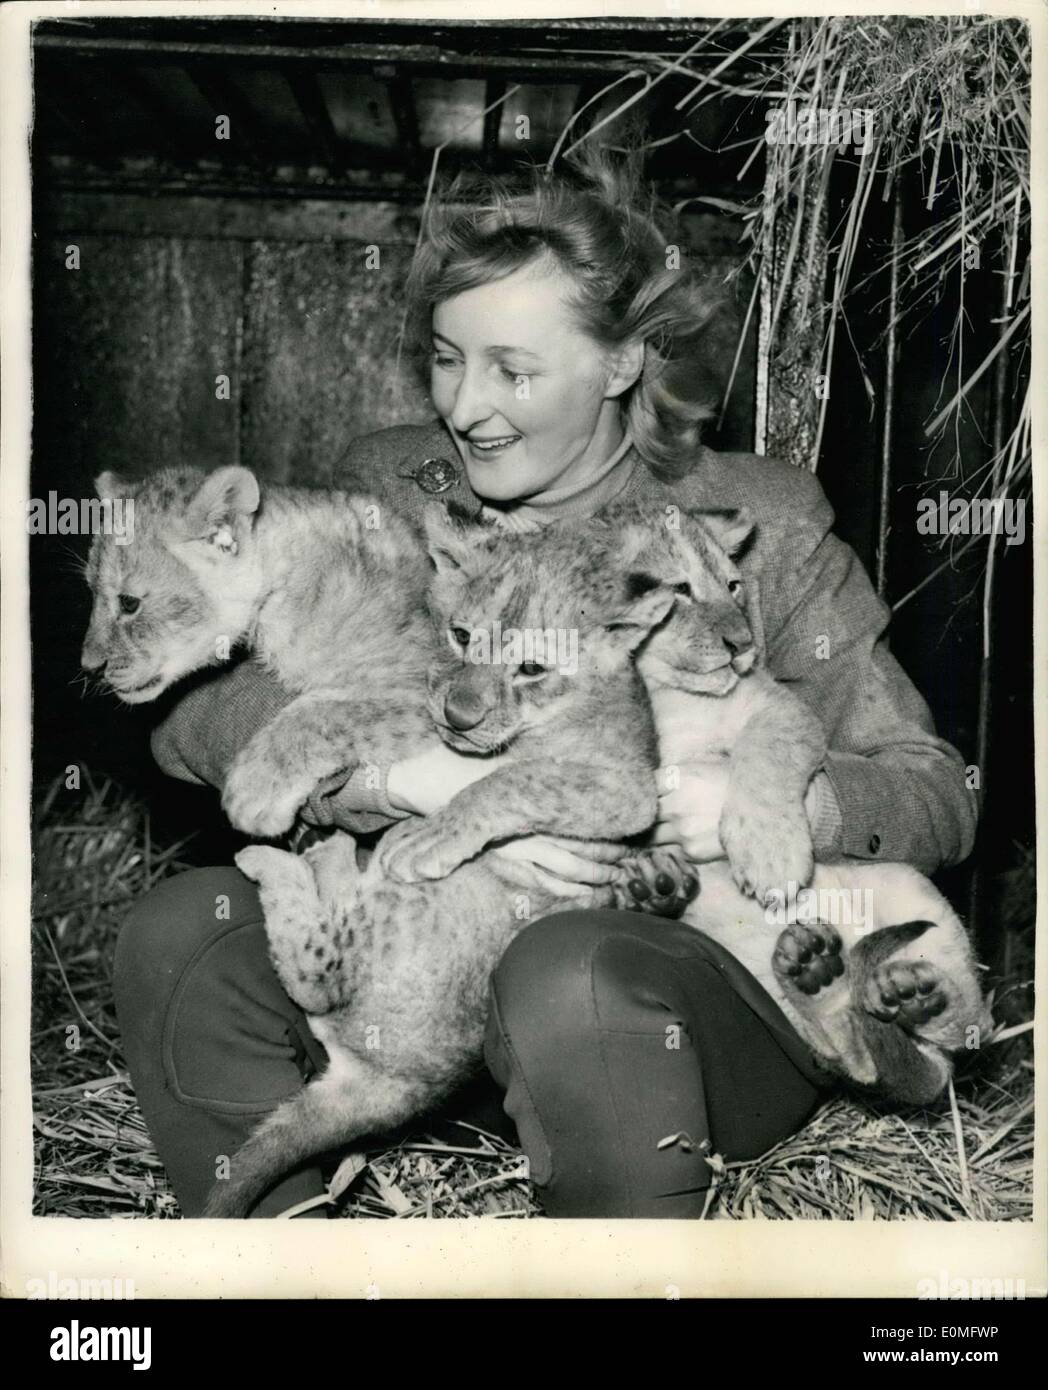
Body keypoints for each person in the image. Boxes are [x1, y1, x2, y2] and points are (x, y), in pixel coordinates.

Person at [113, 152, 977, 1219]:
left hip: (657, 1000)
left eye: (511, 371)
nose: (465, 407)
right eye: (443, 360)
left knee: (570, 972)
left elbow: (935, 788)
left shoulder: (755, 520)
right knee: (178, 934)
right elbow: (198, 709)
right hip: (425, 974)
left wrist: (762, 801)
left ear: (620, 364)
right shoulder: (400, 482)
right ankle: (279, 1247)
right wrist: (392, 779)